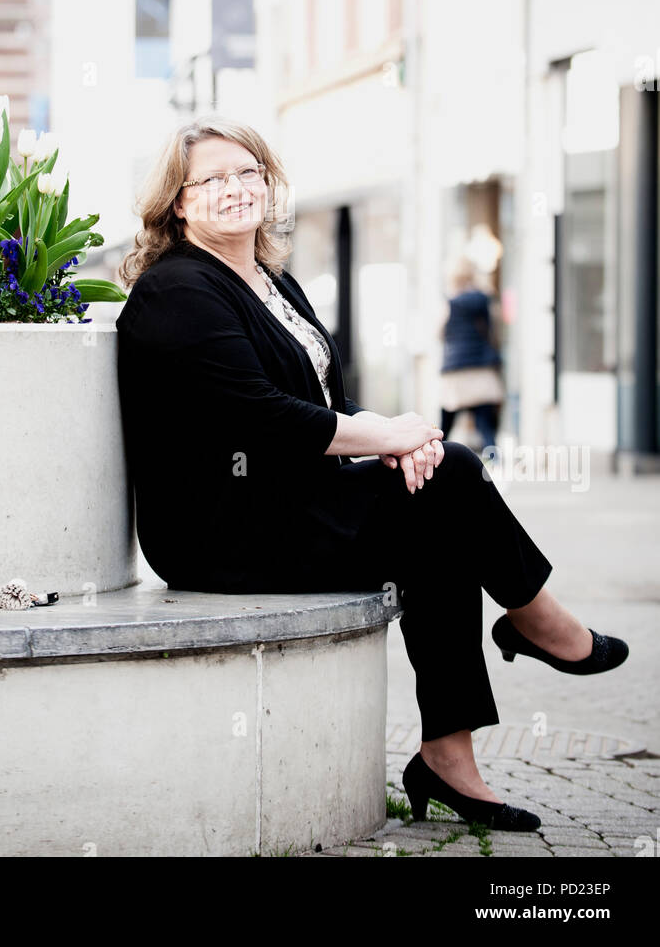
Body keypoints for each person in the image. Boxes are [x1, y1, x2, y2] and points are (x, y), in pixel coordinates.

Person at [115, 117, 629, 834]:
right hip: (222, 529)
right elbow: (262, 419)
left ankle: (448, 757)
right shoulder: (177, 290)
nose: (236, 189)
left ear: (267, 181)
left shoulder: (267, 278)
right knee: (448, 477)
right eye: (214, 179)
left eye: (248, 172)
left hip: (287, 501)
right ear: (178, 201)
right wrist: (392, 435)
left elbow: (324, 402)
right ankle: (536, 621)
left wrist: (397, 443)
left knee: (435, 501)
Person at [438, 255, 504, 454]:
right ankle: (493, 466)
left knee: (444, 429)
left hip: (456, 372)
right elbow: (495, 332)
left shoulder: (450, 302)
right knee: (486, 428)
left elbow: (439, 332)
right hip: (481, 370)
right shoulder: (485, 300)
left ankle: (433, 467)